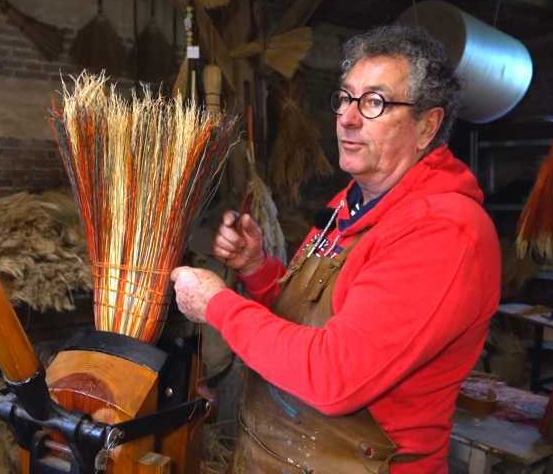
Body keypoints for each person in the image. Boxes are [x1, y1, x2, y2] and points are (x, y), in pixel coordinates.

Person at [170, 25, 501, 473]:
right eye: (345, 98)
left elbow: (334, 377)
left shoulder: (443, 231)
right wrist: (256, 268)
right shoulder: (354, 201)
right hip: (280, 456)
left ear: (427, 125)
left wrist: (218, 306)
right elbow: (309, 322)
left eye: (374, 102)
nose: (347, 117)